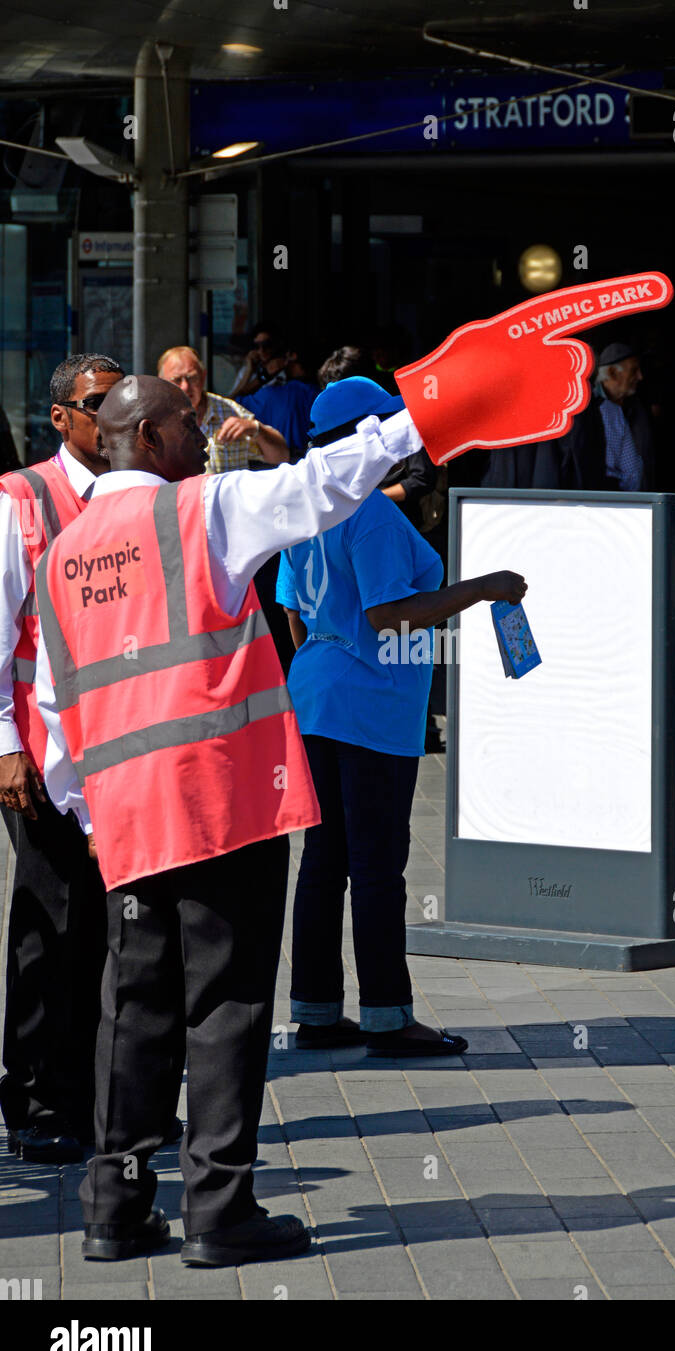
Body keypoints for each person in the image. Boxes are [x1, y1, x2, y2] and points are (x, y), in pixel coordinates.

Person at [33, 373, 427, 1266]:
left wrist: (89, 809)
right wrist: (424, 415)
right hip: (219, 803)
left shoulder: (70, 549)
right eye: (195, 423)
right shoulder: (201, 511)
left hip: (125, 818)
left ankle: (115, 1206)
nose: (207, 435)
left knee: (132, 1010)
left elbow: (57, 704)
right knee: (226, 1004)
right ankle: (219, 1209)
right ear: (162, 435)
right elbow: (325, 484)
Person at [277, 376, 527, 1057]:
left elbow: (294, 609)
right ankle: (389, 1016)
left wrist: (326, 664)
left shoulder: (309, 507)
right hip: (372, 705)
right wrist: (483, 589)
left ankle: (317, 1014)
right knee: (379, 862)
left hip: (317, 695)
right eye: (390, 430)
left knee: (324, 861)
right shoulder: (372, 514)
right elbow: (388, 614)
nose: (401, 441)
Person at [0, 353, 123, 1163]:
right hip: (41, 753)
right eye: (97, 403)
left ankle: (96, 1097)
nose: (112, 416)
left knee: (114, 930)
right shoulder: (22, 499)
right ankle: (37, 1100)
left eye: (121, 400)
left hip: (121, 748)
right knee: (51, 923)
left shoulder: (140, 492)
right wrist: (5, 747)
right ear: (61, 418)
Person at [316, 346, 437, 530]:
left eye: (340, 395)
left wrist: (369, 501)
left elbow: (422, 479)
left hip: (400, 522)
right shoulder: (328, 436)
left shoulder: (401, 421)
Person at [157, 345, 289, 472]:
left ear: (203, 377)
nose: (185, 386)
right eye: (177, 380)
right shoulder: (155, 420)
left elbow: (281, 456)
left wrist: (256, 429)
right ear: (162, 383)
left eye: (192, 378)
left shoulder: (230, 411)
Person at [594, 342, 649, 491]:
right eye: (633, 371)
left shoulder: (637, 406)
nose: (640, 376)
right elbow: (632, 473)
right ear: (612, 372)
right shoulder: (595, 409)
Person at [230, 321, 309, 397]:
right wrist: (249, 370)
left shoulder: (286, 369)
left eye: (267, 345)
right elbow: (233, 398)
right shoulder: (249, 370)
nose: (261, 350)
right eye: (257, 346)